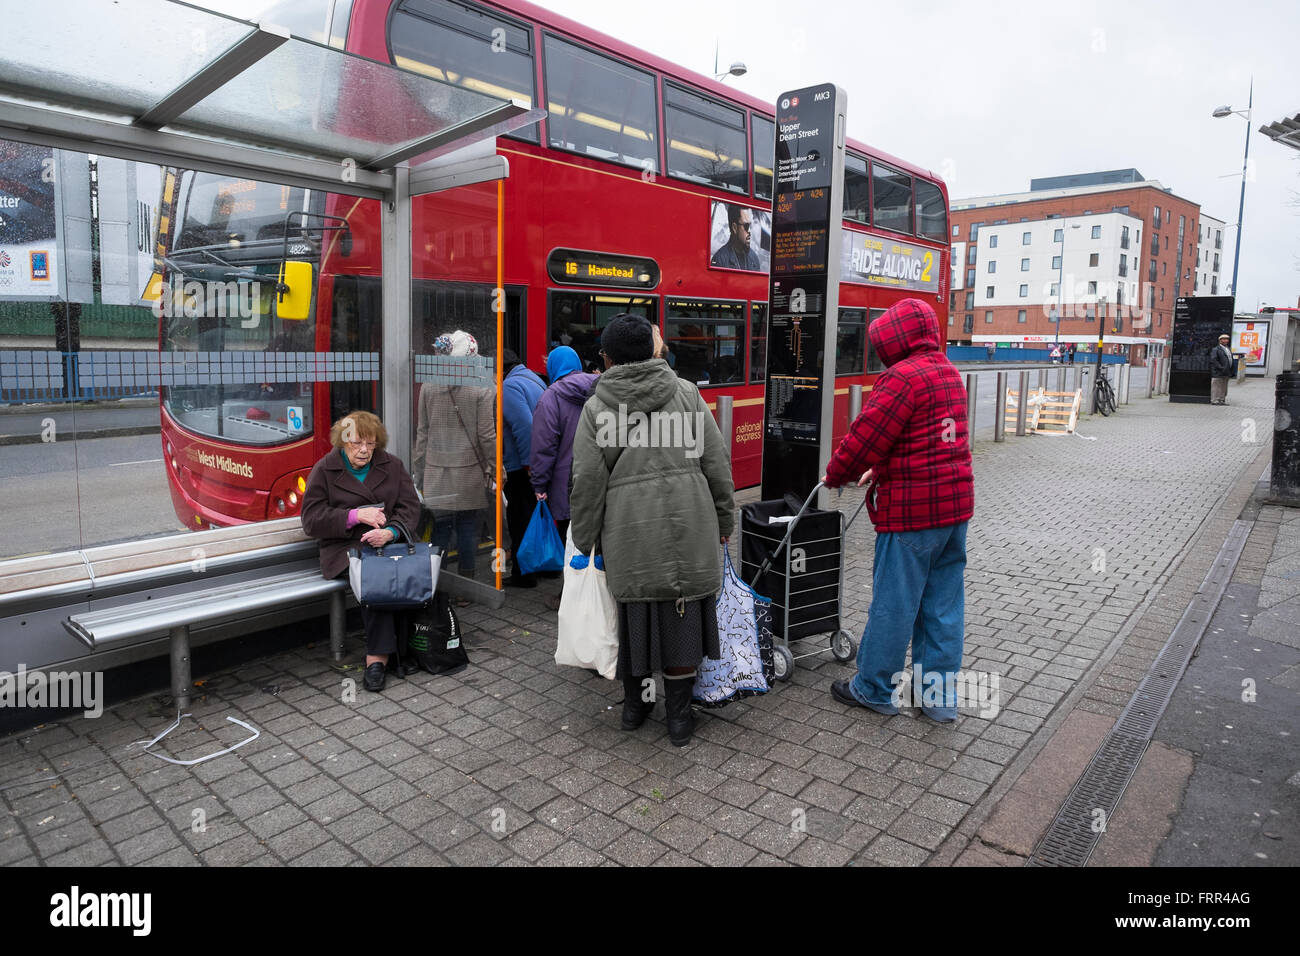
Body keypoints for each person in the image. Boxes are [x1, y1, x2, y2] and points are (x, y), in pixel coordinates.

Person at [569, 313, 735, 747]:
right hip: (689, 524)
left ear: (605, 359)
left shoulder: (596, 408)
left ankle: (633, 708)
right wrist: (724, 519)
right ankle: (679, 719)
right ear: (655, 350)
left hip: (629, 532)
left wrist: (583, 540)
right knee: (680, 615)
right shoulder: (687, 394)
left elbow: (587, 482)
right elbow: (716, 463)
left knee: (635, 618)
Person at [821, 298, 975, 722]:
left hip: (911, 515)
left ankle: (872, 688)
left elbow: (866, 437)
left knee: (895, 604)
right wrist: (882, 468)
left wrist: (837, 474)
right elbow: (926, 440)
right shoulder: (948, 371)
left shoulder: (902, 378)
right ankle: (937, 700)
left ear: (895, 339)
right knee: (942, 609)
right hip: (954, 512)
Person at [301, 411, 422, 692]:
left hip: (389, 542)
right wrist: (355, 516)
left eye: (370, 443)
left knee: (406, 574)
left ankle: (402, 650)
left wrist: (390, 531)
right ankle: (377, 658)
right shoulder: (325, 469)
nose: (364, 450)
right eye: (356, 443)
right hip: (345, 548)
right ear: (342, 443)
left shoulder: (392, 465)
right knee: (376, 579)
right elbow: (311, 519)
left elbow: (410, 506)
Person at [413, 330, 495, 589]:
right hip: (469, 470)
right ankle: (466, 587)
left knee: (441, 528)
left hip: (436, 469)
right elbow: (486, 434)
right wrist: (494, 464)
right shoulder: (482, 384)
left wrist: (419, 469)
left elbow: (422, 432)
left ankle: (436, 585)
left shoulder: (428, 385)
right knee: (468, 527)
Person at [530, 346, 599, 610]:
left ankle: (569, 596)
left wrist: (539, 483)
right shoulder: (599, 387)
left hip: (565, 482)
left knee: (570, 538)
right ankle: (593, 591)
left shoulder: (550, 398)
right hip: (599, 477)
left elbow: (543, 447)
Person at [501, 349, 546, 588]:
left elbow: (523, 426)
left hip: (521, 465)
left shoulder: (509, 387)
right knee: (533, 518)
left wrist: (530, 464)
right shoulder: (534, 379)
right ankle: (543, 567)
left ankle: (523, 574)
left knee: (519, 520)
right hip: (538, 460)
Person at [710, 204, 761, 271]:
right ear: (734, 228)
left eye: (750, 225)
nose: (749, 231)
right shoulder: (719, 260)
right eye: (746, 226)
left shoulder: (754, 259)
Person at [1209, 333, 1233, 405]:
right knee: (1216, 386)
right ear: (1220, 340)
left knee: (1224, 387)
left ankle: (1222, 400)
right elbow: (1213, 360)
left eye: (1227, 339)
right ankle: (1215, 400)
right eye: (1224, 339)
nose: (1226, 340)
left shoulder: (1228, 349)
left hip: (1226, 372)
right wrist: (1221, 367)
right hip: (1218, 372)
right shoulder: (1216, 349)